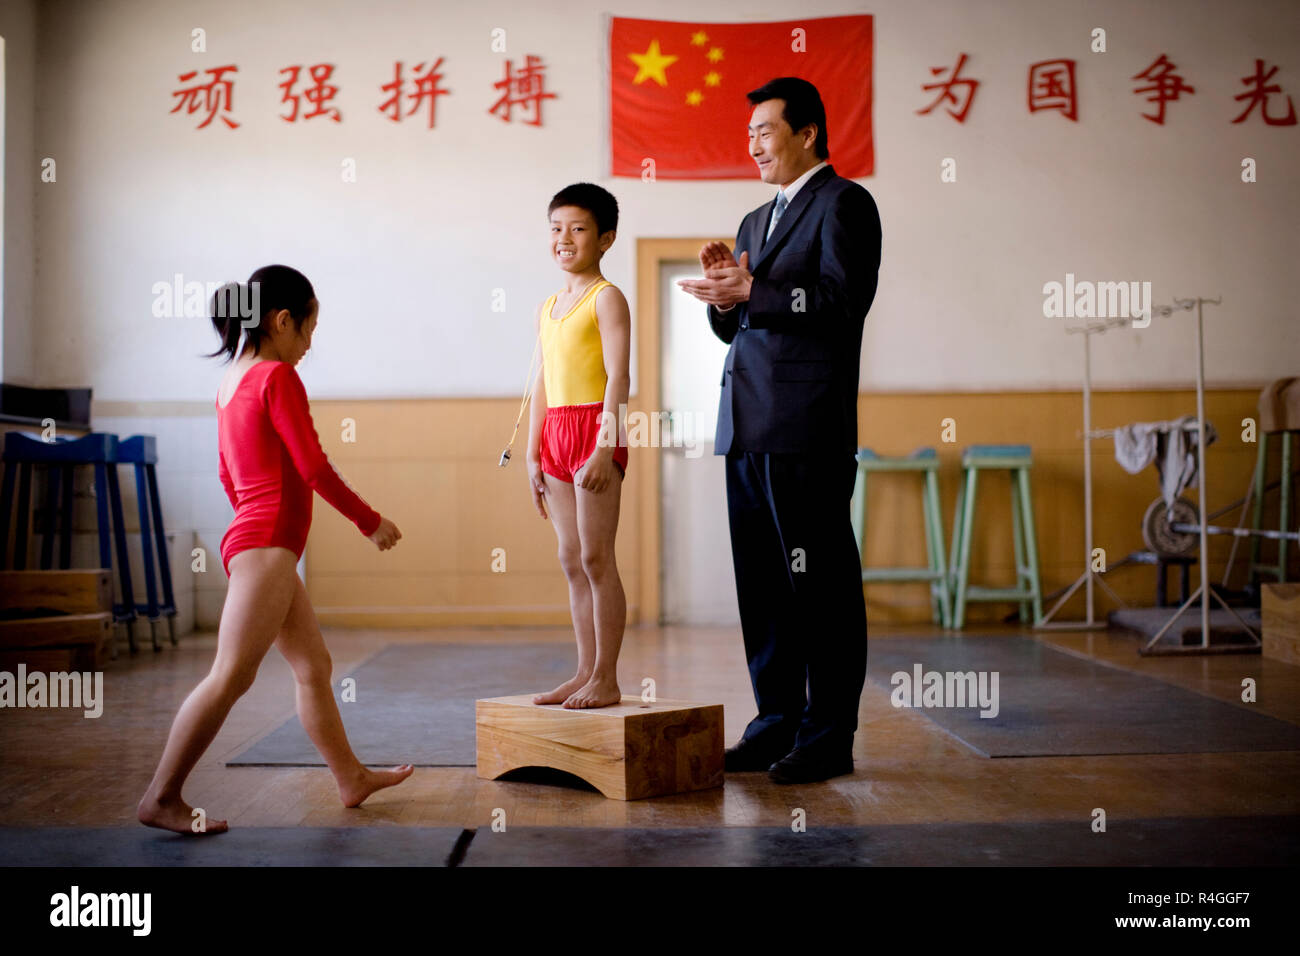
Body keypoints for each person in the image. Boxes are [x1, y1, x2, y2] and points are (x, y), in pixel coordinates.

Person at [138, 264, 412, 834]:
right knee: (231, 676)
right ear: (282, 320)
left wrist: (255, 530)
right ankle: (162, 797)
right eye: (310, 328)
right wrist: (369, 521)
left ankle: (351, 778)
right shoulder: (276, 378)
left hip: (260, 541)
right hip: (267, 544)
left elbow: (226, 473)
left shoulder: (231, 380)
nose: (311, 344)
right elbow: (311, 465)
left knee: (313, 666)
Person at [678, 77, 882, 783]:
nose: (754, 143)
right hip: (747, 425)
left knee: (818, 587)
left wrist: (754, 292)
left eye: (766, 130)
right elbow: (742, 324)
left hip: (807, 429)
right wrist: (723, 298)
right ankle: (776, 724)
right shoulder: (754, 221)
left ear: (809, 135)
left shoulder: (846, 204)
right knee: (764, 588)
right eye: (751, 133)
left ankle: (829, 736)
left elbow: (840, 300)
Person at [526, 184, 632, 709]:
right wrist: (532, 453)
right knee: (570, 558)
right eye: (556, 228)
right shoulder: (549, 305)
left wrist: (603, 447)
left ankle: (607, 678)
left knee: (596, 556)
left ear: (605, 238)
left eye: (578, 228)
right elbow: (543, 381)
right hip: (555, 434)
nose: (564, 238)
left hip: (594, 429)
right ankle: (583, 670)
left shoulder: (606, 297)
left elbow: (618, 377)